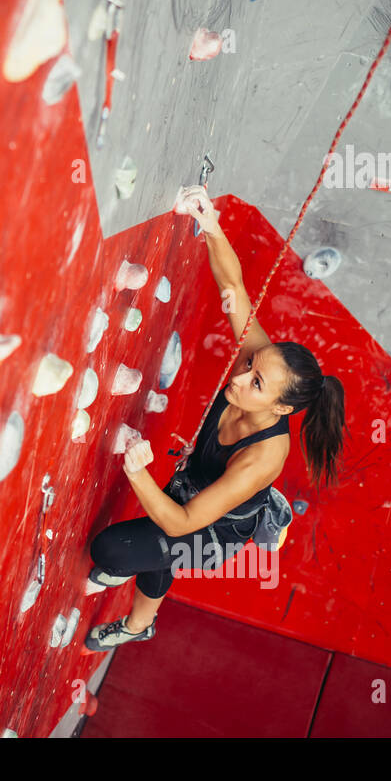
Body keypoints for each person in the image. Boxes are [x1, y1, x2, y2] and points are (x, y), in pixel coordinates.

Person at [84, 185, 347, 652]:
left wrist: (137, 472)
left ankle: (132, 610)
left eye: (257, 384)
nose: (241, 376)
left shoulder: (263, 457)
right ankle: (139, 624)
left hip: (210, 533)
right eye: (250, 364)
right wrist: (211, 225)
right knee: (152, 548)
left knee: (113, 549)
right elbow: (233, 289)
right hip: (191, 493)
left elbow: (184, 523)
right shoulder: (259, 365)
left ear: (281, 409)